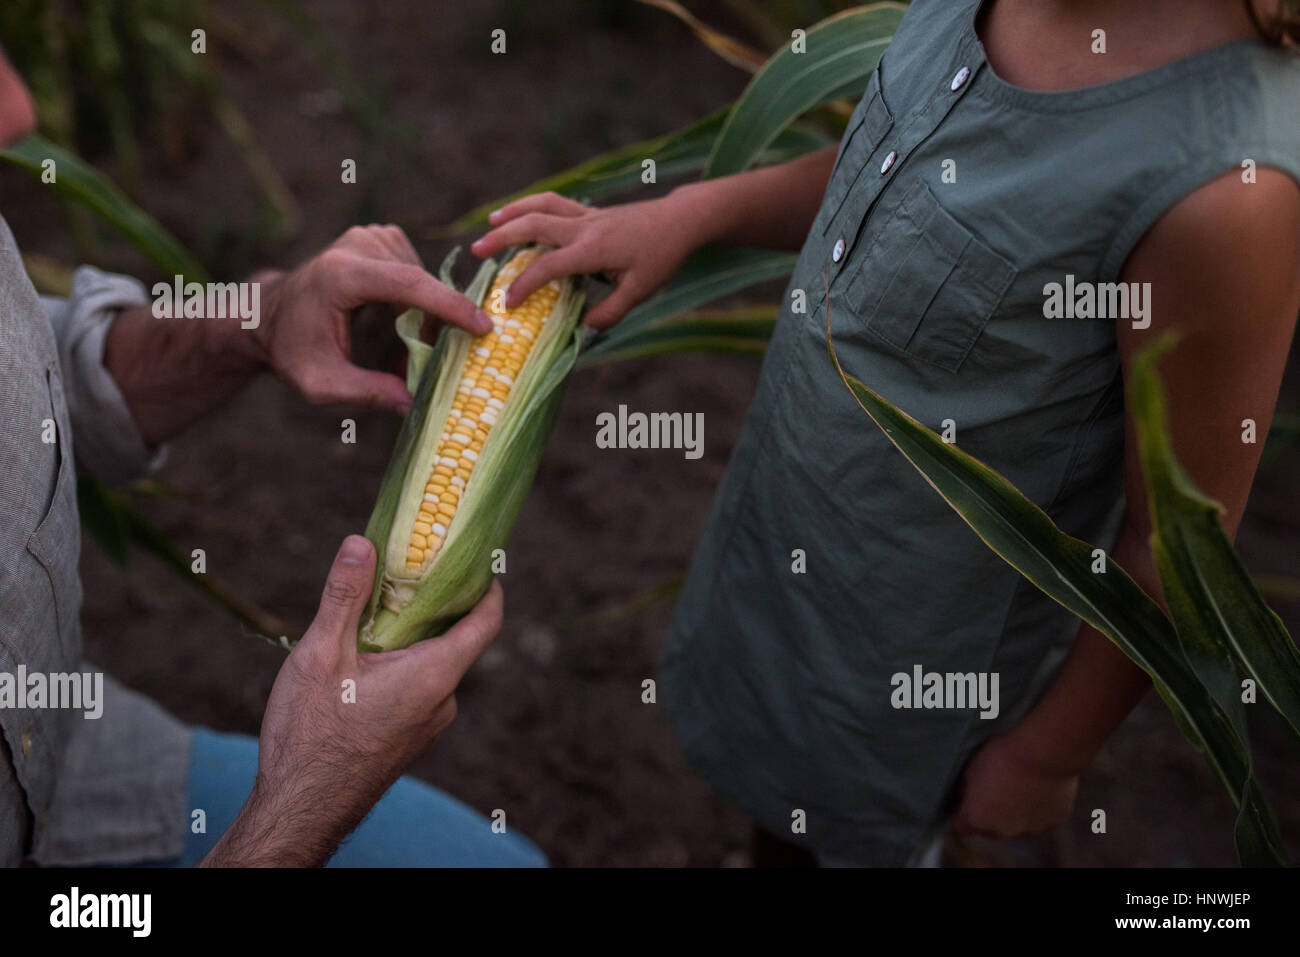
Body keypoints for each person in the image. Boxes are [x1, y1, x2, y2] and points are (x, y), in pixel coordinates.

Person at [473, 0, 1300, 865]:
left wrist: (1046, 755)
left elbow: (1177, 547)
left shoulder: (1225, 196)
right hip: (787, 550)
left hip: (907, 669)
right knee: (780, 808)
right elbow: (902, 159)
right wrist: (691, 213)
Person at [0, 48, 542, 867]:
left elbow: (59, 374)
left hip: (67, 758)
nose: (17, 112)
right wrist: (309, 795)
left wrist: (262, 316)